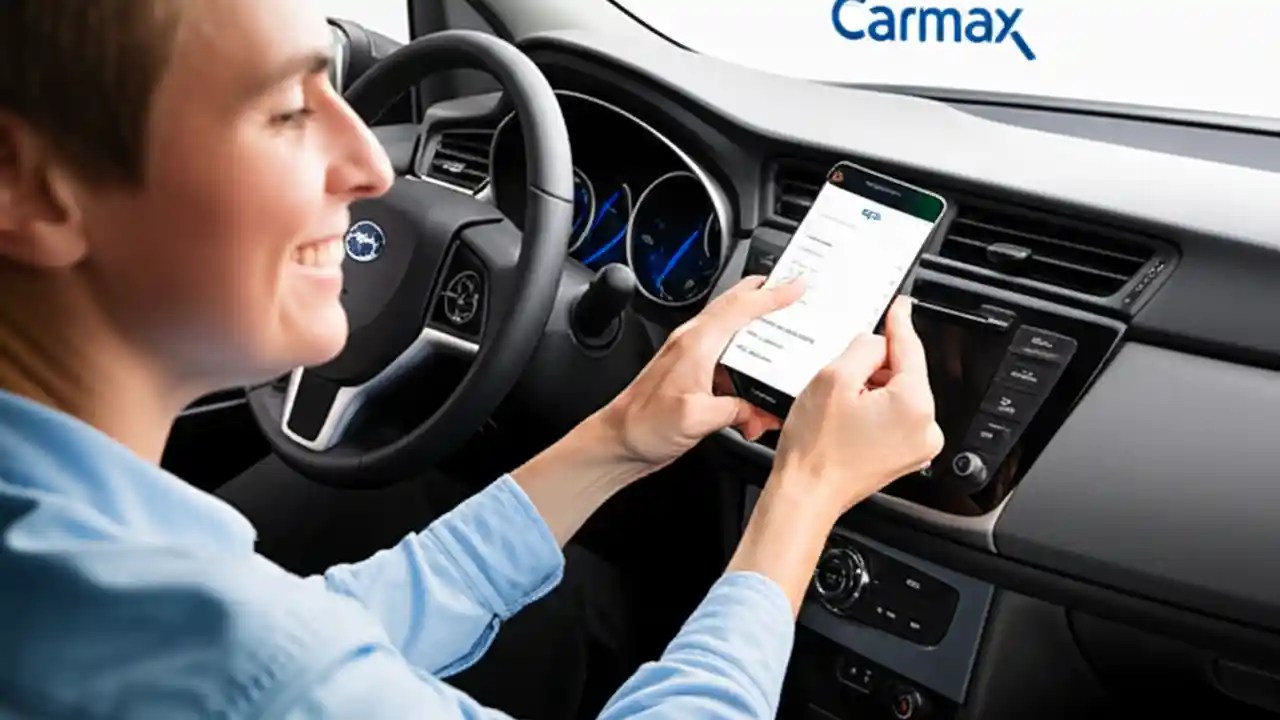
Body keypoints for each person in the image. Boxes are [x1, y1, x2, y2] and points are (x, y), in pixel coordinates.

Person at [0, 1, 943, 718]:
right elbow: (279, 661)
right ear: (32, 189)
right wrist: (806, 493)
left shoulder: (73, 555)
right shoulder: (236, 664)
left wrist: (616, 436)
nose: (370, 168)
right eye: (288, 111)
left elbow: (334, 623)